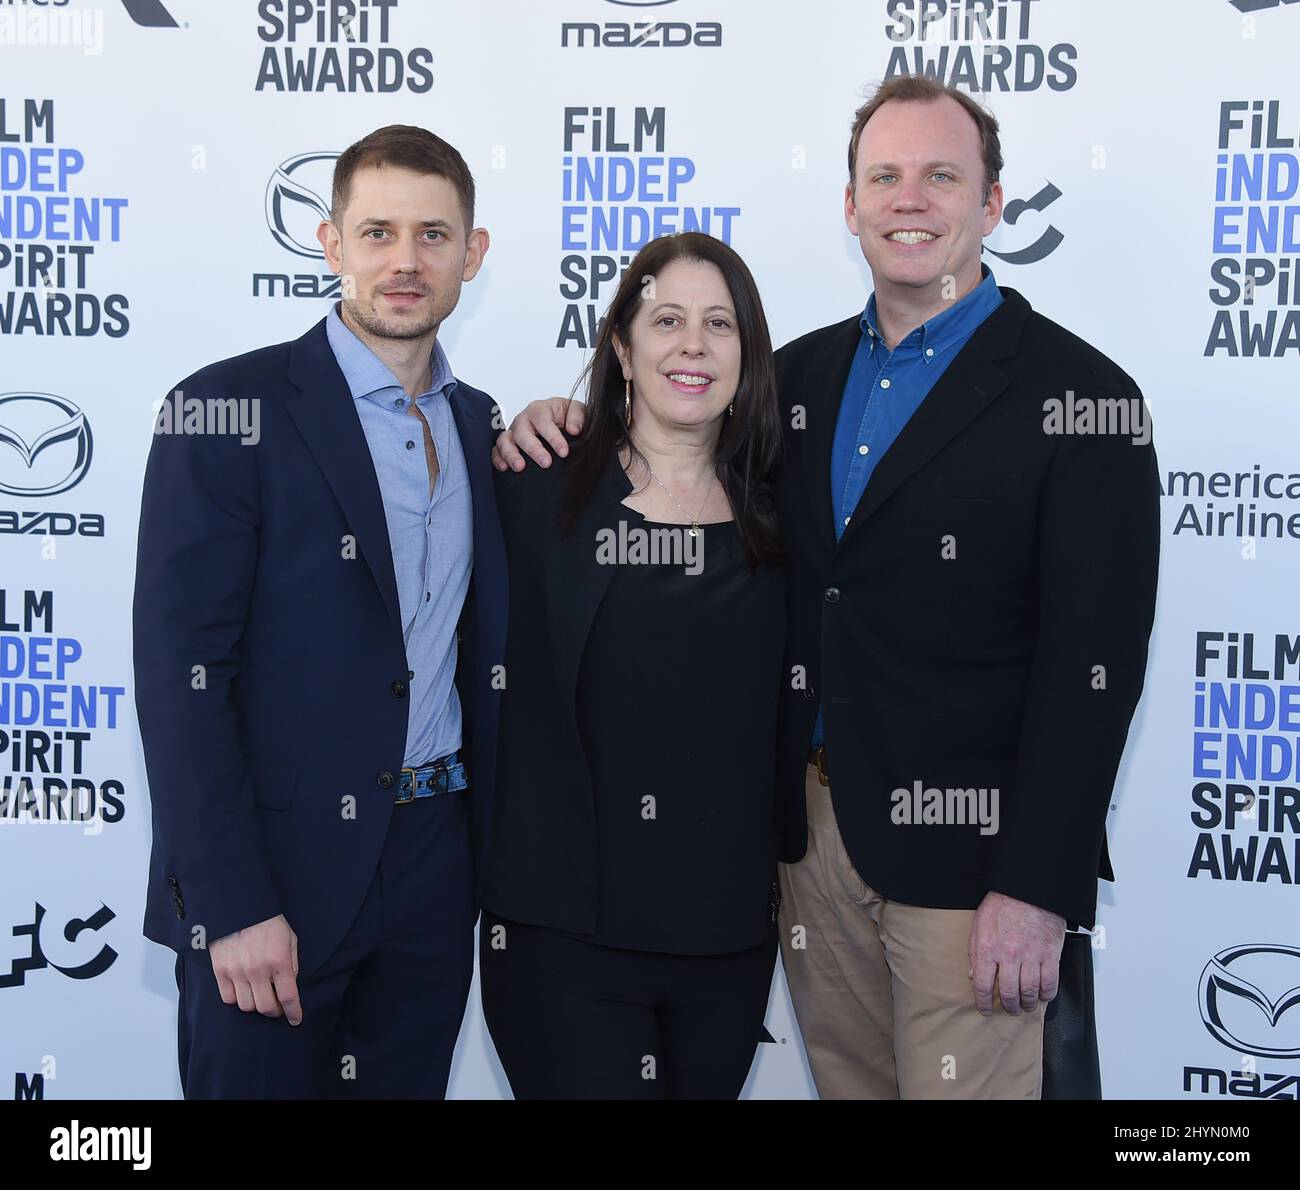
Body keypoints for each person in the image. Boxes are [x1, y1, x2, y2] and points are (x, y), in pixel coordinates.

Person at [493, 76, 1160, 1099]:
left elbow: (1094, 669)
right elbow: (665, 451)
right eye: (883, 176)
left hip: (970, 868)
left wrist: (1036, 881)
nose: (909, 199)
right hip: (806, 857)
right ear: (848, 206)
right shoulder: (790, 385)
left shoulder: (1082, 400)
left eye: (941, 175)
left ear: (991, 205)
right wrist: (561, 415)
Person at [133, 125, 507, 1098]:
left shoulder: (477, 426)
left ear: (472, 255)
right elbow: (183, 683)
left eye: (433, 235)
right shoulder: (224, 411)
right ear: (330, 242)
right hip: (275, 878)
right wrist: (229, 903)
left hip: (434, 866)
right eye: (376, 231)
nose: (404, 261)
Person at [478, 232, 786, 1099]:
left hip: (725, 935)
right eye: (667, 320)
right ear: (621, 346)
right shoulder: (532, 485)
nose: (693, 344)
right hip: (561, 934)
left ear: (747, 354)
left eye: (719, 323)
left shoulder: (788, 507)